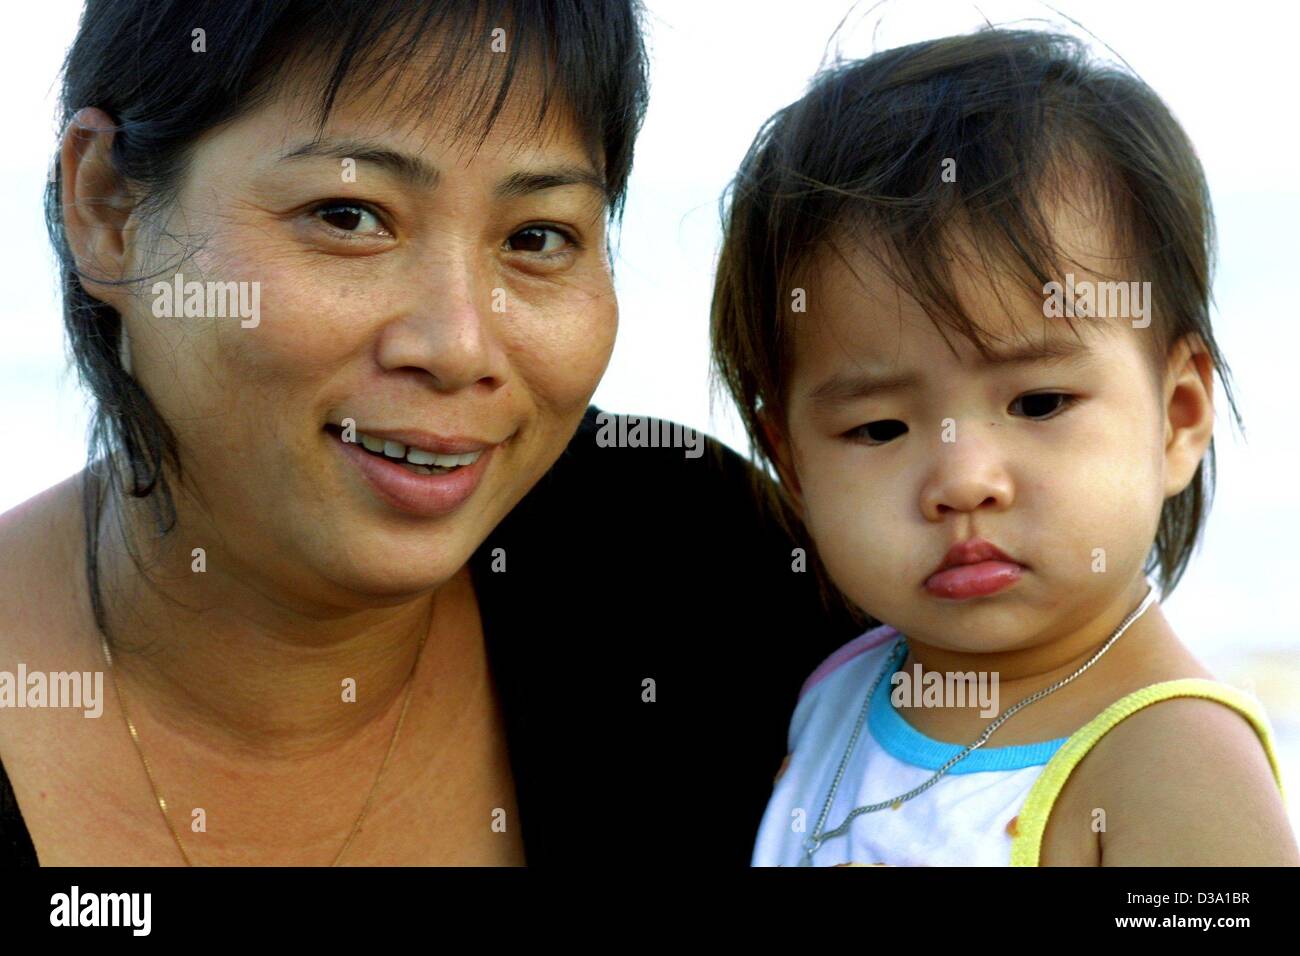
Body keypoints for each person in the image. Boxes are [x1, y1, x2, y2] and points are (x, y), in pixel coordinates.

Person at [0, 0, 863, 867]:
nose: (458, 347)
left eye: (536, 236)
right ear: (107, 208)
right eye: (349, 216)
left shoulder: (697, 570)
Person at [709, 28, 1300, 866]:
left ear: (1177, 415)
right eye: (879, 428)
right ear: (792, 462)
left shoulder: (1173, 765)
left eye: (1039, 401)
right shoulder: (835, 696)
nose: (962, 481)